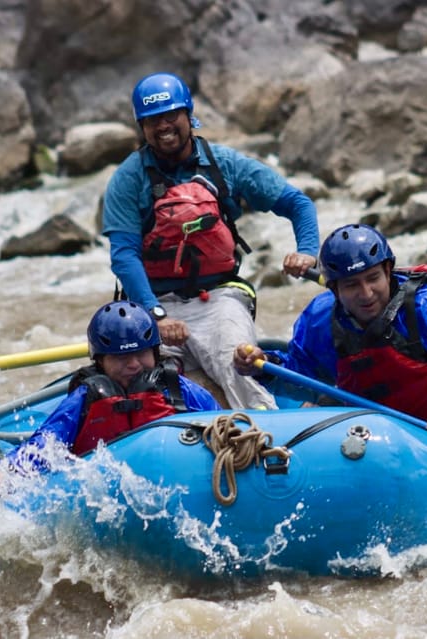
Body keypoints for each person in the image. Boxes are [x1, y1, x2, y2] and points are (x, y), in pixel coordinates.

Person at [102, 71, 320, 410]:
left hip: (219, 297)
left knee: (238, 365)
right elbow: (124, 256)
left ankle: (267, 440)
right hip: (154, 304)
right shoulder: (128, 179)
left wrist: (307, 251)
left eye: (171, 115)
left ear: (189, 115)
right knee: (146, 383)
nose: (163, 126)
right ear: (141, 127)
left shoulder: (225, 164)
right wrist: (156, 315)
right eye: (152, 120)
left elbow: (297, 203)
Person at [232, 224, 427, 440]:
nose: (366, 294)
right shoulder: (320, 319)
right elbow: (302, 374)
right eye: (352, 285)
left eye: (373, 278)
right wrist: (265, 366)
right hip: (377, 441)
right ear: (335, 288)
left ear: (388, 271)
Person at [0, 301, 222, 493]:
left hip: (176, 479)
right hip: (105, 491)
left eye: (142, 354)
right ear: (101, 361)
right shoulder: (87, 397)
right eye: (121, 358)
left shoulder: (176, 387)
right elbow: (47, 443)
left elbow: (223, 425)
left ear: (155, 352)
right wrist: (6, 471)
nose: (134, 365)